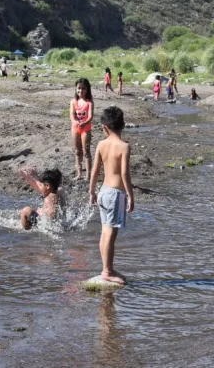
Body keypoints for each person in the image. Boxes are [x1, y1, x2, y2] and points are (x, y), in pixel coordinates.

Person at [89, 106, 134, 285]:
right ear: (122, 125)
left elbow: (94, 171)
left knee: (104, 232)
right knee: (110, 233)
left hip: (103, 191)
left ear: (104, 128)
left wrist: (91, 191)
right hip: (115, 194)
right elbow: (124, 174)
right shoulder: (124, 146)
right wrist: (131, 195)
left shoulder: (101, 144)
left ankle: (106, 268)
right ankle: (107, 270)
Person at [71, 78, 95, 180]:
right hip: (75, 128)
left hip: (86, 129)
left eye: (83, 88)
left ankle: (88, 175)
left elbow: (90, 117)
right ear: (76, 89)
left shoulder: (89, 102)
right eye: (79, 88)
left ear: (87, 89)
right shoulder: (73, 101)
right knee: (77, 151)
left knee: (86, 151)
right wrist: (76, 122)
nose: (81, 91)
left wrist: (84, 123)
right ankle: (79, 174)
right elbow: (72, 115)